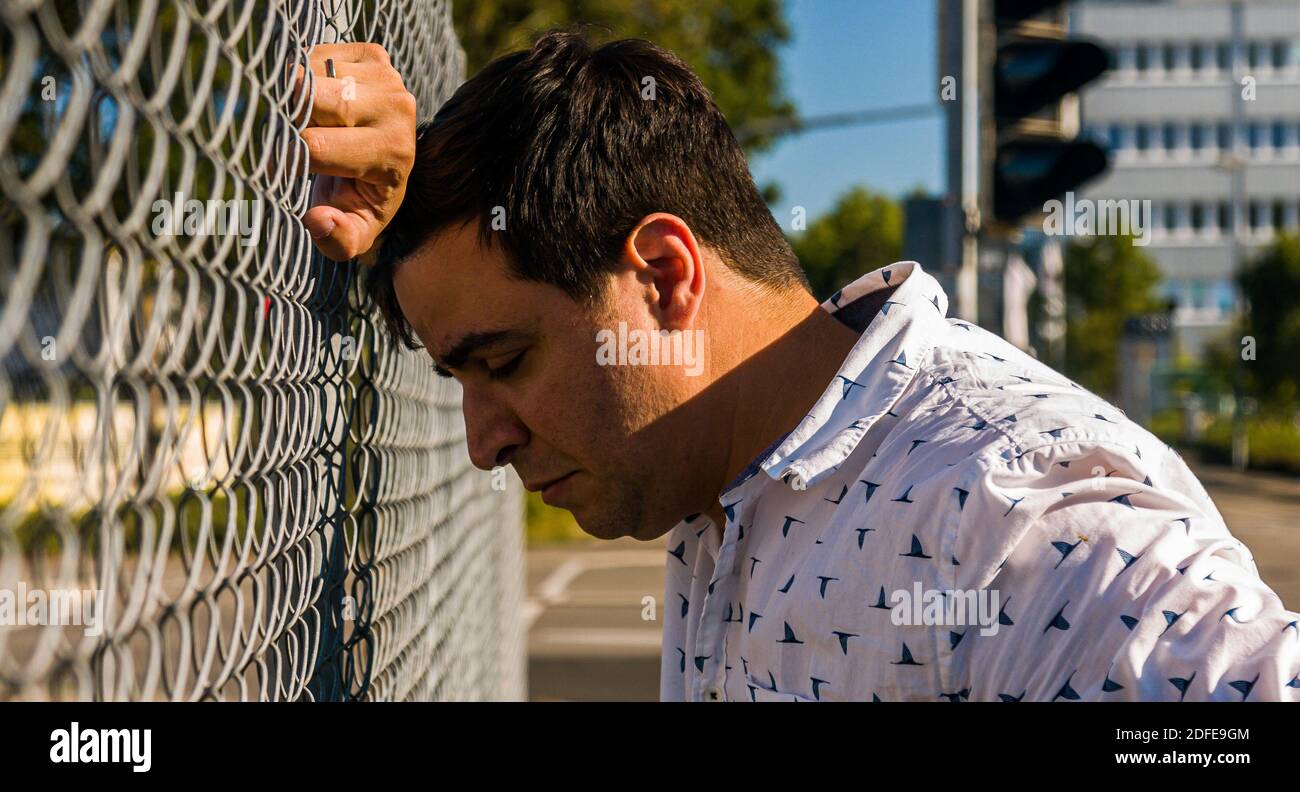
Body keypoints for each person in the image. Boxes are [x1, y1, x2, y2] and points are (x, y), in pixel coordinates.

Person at [302, 32, 1300, 702]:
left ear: (662, 276)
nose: (483, 444)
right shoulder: (722, 476)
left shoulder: (1009, 506)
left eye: (505, 362)